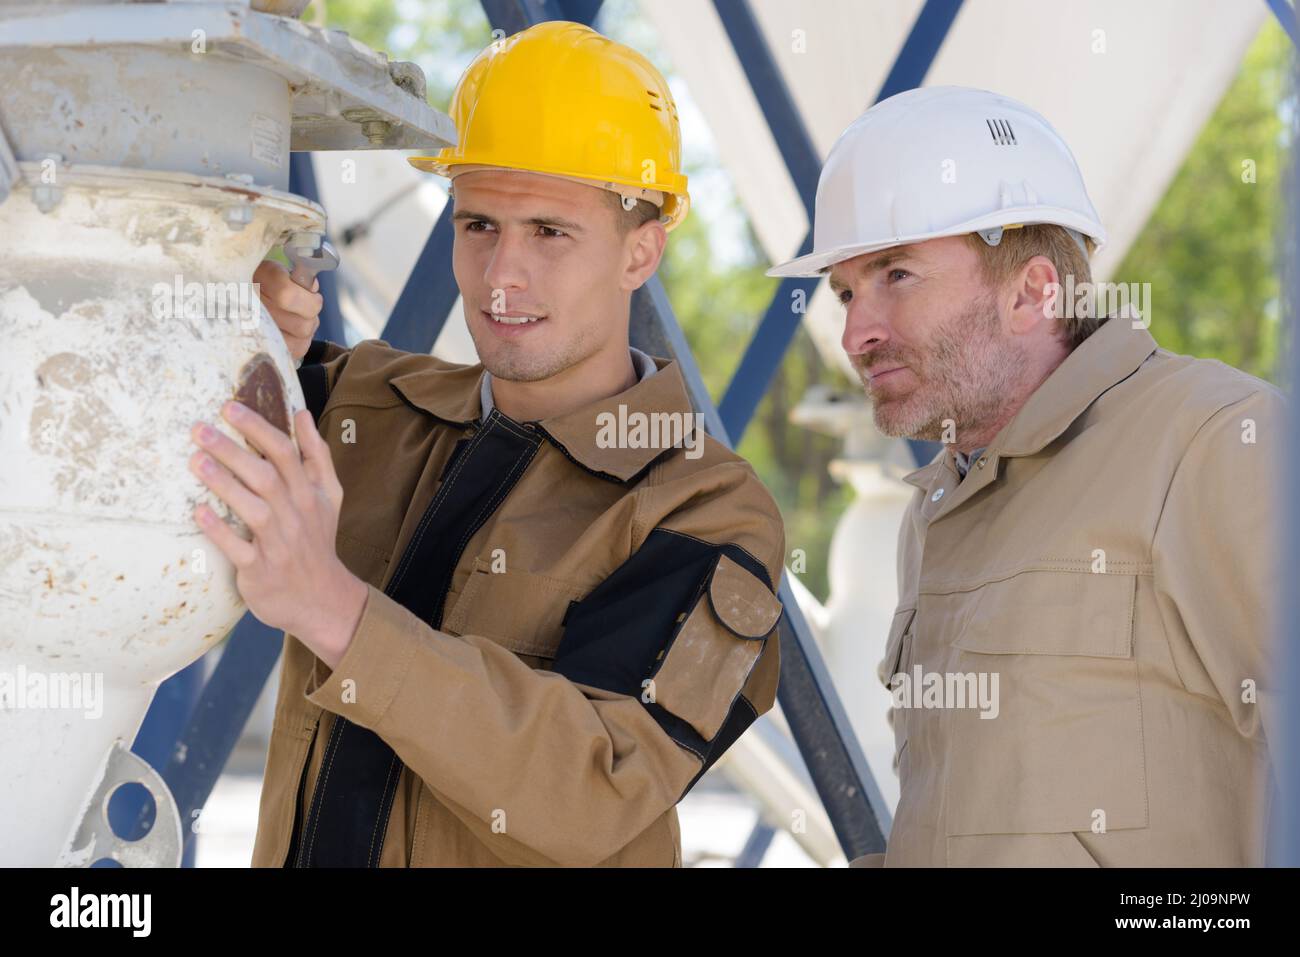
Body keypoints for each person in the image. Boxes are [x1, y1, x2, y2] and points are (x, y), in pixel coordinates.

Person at [191, 20, 786, 867]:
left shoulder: (706, 511)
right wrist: (228, 326)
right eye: (478, 226)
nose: (504, 275)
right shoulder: (359, 405)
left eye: (549, 231)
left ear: (641, 250)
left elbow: (595, 789)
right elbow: (140, 454)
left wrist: (334, 606)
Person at [770, 85, 1285, 867]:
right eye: (844, 291)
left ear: (1033, 290)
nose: (855, 331)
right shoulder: (936, 510)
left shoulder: (1220, 441)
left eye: (896, 274)